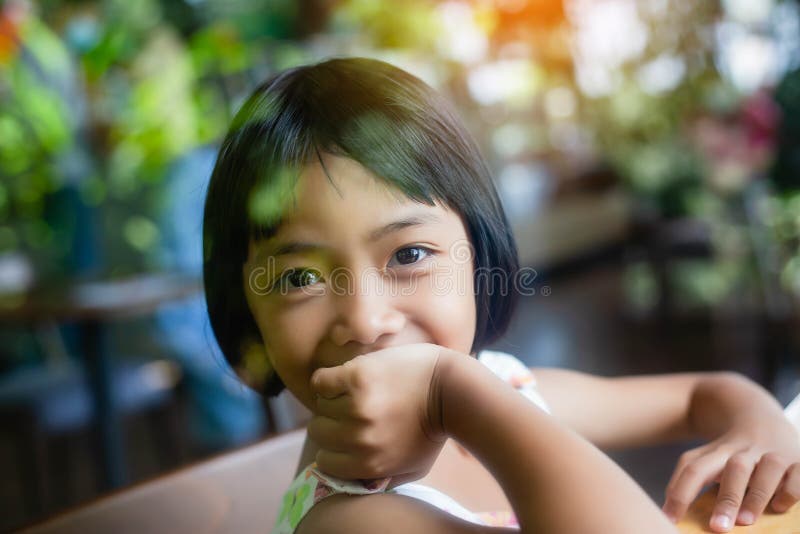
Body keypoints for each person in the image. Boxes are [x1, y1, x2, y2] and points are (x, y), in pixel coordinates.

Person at [201, 57, 800, 534]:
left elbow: (702, 394)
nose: (364, 319)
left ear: (478, 254)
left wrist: (761, 426)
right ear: (246, 310)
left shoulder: (508, 389)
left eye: (408, 255)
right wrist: (450, 393)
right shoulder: (350, 520)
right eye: (299, 278)